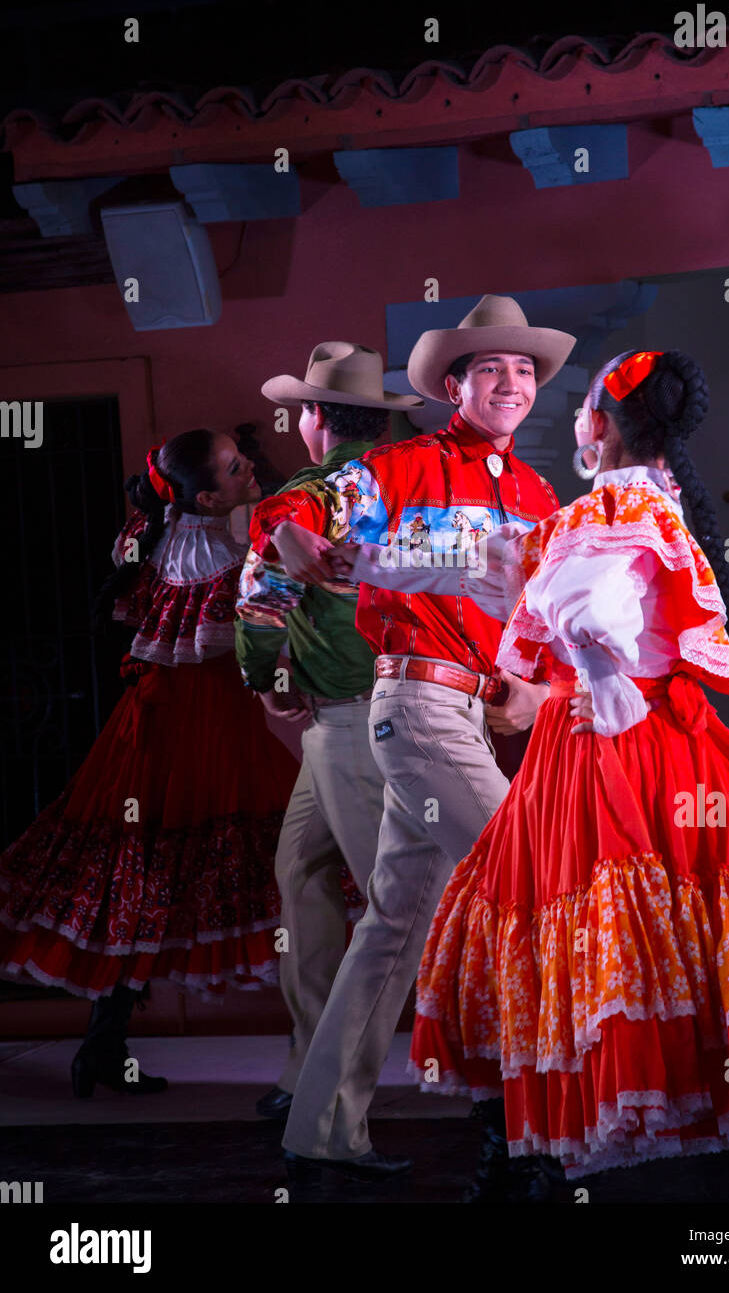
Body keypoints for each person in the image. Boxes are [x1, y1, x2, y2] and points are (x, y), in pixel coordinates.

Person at [339, 348, 729, 1199]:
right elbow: (517, 577)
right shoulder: (647, 501)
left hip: (613, 756)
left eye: (580, 403)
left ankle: (539, 1160)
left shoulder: (612, 504)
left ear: (600, 424)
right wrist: (365, 562)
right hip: (658, 749)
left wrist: (603, 685)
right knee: (695, 948)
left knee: (588, 935)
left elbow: (592, 613)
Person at [263, 295, 575, 1181]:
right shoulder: (400, 464)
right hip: (418, 707)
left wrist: (537, 684)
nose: (511, 382)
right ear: (452, 385)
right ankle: (530, 1119)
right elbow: (289, 522)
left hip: (472, 709)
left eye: (524, 371)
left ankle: (321, 1129)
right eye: (491, 369)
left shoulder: (535, 491)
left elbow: (540, 610)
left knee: (393, 924)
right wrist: (294, 539)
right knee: (533, 883)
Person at [0, 430, 296, 1096]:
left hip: (162, 728)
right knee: (250, 869)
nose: (248, 464)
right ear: (209, 494)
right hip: (201, 732)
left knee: (149, 875)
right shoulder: (232, 541)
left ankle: (105, 1046)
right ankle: (311, 1064)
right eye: (233, 465)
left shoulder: (166, 534)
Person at [234, 341, 422, 1120]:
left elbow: (260, 601)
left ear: (312, 418)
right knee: (303, 876)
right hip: (358, 715)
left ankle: (339, 1100)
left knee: (399, 912)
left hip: (354, 716)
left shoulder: (311, 495)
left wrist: (261, 674)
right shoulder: (407, 483)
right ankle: (309, 1065)